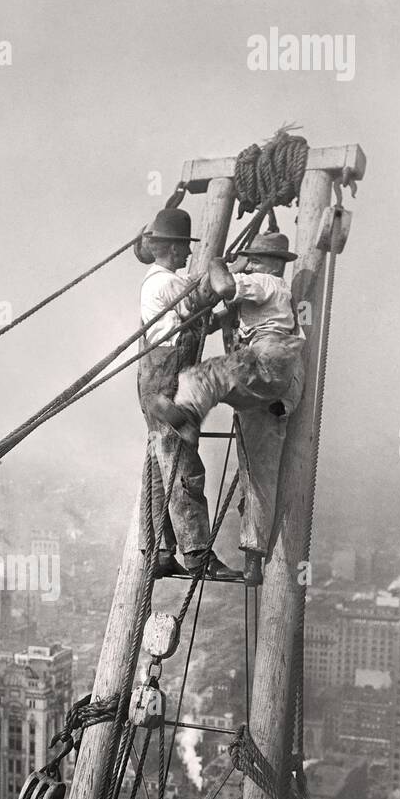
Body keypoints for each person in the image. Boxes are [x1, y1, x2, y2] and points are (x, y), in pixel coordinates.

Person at [153, 230, 306, 586]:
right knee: (258, 476)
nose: (248, 264)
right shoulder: (263, 297)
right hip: (272, 389)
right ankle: (254, 560)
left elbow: (223, 286)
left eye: (253, 258)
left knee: (202, 376)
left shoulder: (265, 282)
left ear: (270, 263)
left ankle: (188, 417)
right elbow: (216, 320)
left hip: (267, 361)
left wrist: (219, 261)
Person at [136, 208, 242, 581]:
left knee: (159, 471)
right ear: (170, 248)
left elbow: (193, 319)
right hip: (168, 391)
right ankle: (198, 553)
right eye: (183, 247)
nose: (185, 254)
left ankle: (160, 552)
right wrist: (222, 267)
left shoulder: (156, 283)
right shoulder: (165, 282)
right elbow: (199, 294)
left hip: (155, 389)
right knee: (185, 469)